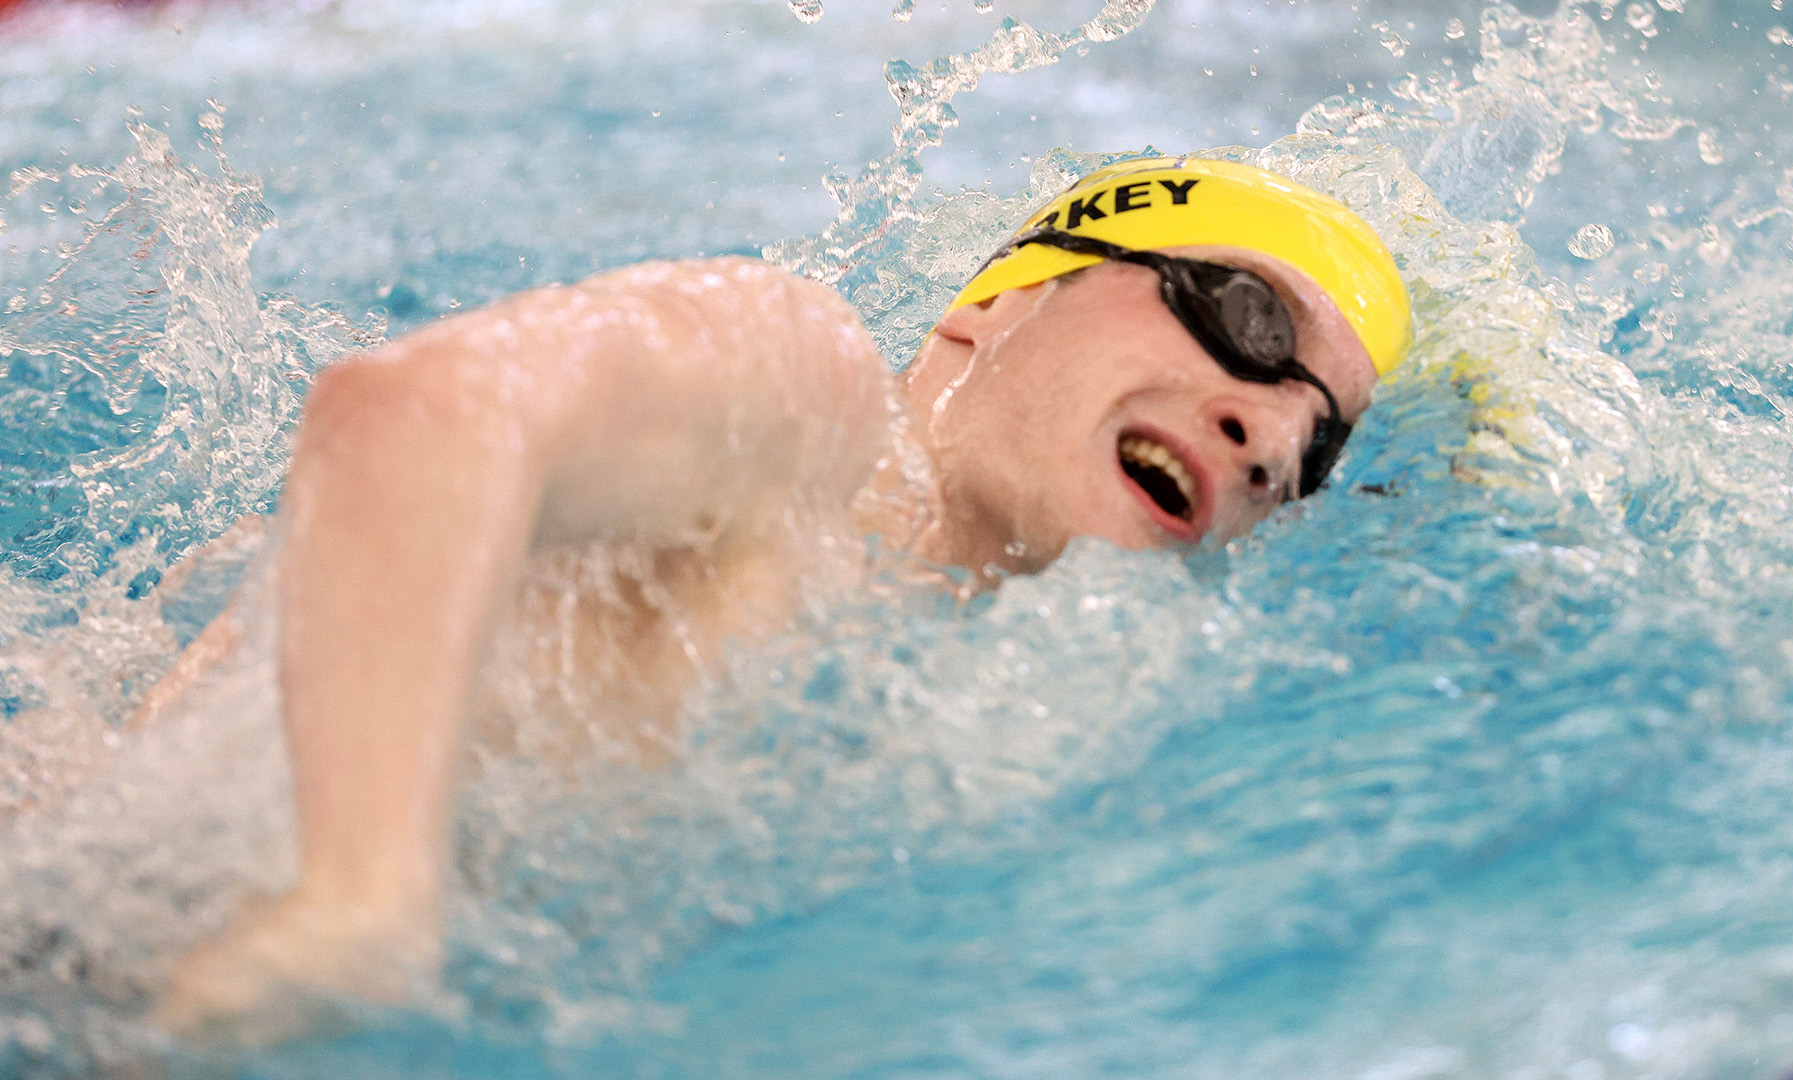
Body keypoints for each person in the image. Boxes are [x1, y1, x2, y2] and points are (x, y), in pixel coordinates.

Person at [147, 156, 1411, 1040]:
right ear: (1007, 300)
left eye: (1322, 446)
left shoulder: (1010, 709)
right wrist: (358, 899)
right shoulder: (804, 404)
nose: (1273, 439)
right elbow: (415, 411)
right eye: (1249, 321)